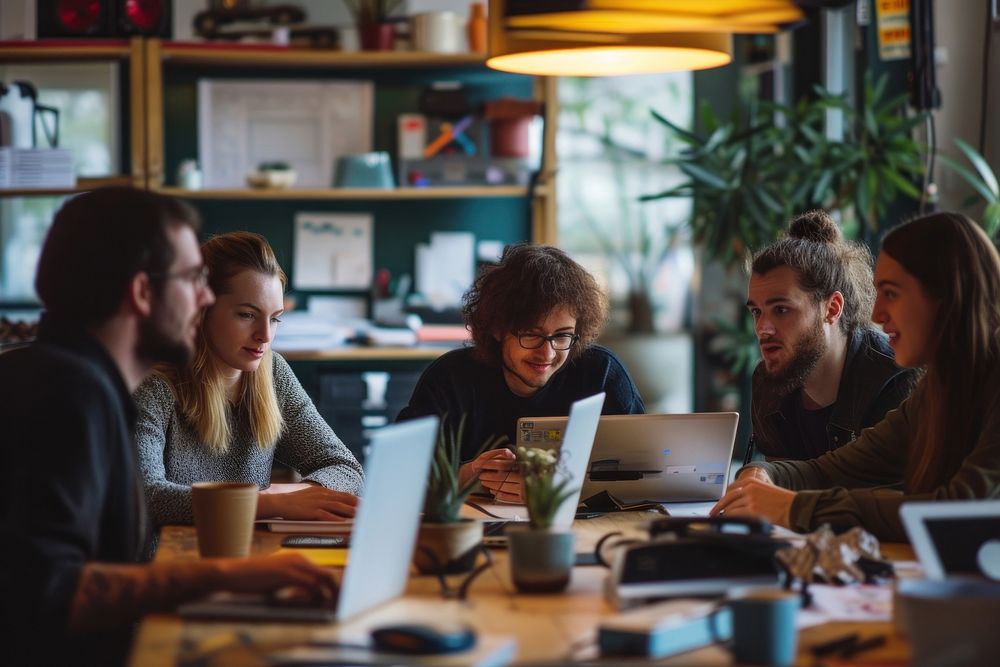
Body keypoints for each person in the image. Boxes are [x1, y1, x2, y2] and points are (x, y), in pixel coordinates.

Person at [0, 188, 337, 666]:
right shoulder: (71, 395)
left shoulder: (72, 380)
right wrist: (219, 577)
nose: (203, 298)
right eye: (191, 279)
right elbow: (49, 593)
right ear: (141, 293)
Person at [713, 212, 1000, 542]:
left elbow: (958, 512)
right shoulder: (943, 386)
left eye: (891, 293)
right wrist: (761, 475)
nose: (877, 314)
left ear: (948, 294)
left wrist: (796, 508)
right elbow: (833, 469)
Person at [134, 232, 363, 526]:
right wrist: (269, 502)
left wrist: (294, 495)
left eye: (275, 318)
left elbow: (346, 468)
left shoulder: (272, 372)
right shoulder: (155, 385)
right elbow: (147, 495)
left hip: (249, 557)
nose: (265, 336)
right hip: (173, 564)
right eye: (246, 315)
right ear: (201, 310)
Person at [397, 243, 645, 502]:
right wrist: (468, 475)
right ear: (497, 329)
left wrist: (560, 489)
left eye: (562, 336)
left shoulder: (602, 373)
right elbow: (399, 478)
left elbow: (641, 473)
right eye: (531, 335)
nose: (547, 354)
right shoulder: (449, 378)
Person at [746, 210, 916, 462]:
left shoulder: (893, 380)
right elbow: (777, 483)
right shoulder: (767, 382)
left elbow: (887, 492)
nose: (762, 328)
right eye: (756, 311)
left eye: (781, 310)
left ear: (832, 308)